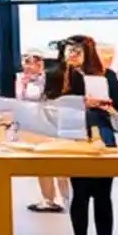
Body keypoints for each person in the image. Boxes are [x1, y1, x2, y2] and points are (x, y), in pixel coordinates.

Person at [45, 35, 118, 235]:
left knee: (103, 195)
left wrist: (106, 101)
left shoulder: (106, 75)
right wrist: (80, 100)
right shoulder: (61, 75)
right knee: (80, 192)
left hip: (103, 136)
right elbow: (50, 103)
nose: (72, 54)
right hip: (74, 135)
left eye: (77, 51)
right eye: (69, 50)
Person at [19, 50, 69, 213]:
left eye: (36, 61)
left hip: (53, 124)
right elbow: (21, 101)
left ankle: (66, 197)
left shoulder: (51, 78)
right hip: (34, 125)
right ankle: (48, 198)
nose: (31, 65)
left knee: (60, 162)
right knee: (42, 163)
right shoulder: (21, 80)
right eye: (27, 61)